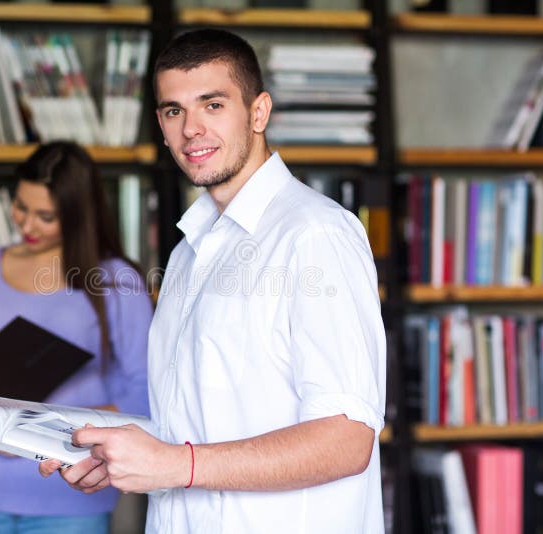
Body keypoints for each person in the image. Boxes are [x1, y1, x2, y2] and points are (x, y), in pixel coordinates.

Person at [39, 29, 387, 533]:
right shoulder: (187, 253)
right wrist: (116, 456)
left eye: (213, 104)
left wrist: (177, 464)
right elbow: (193, 431)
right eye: (174, 111)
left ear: (259, 112)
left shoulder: (315, 234)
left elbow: (348, 439)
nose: (192, 130)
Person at [0, 141, 153, 534]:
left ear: (79, 216)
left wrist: (46, 426)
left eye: (45, 216)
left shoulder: (117, 282)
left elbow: (147, 393)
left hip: (71, 498)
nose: (26, 225)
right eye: (20, 207)